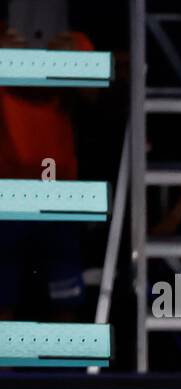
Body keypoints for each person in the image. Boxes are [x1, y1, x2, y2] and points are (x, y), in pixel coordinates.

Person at [0, 14, 97, 323]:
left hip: (58, 187)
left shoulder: (73, 40)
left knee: (65, 301)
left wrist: (73, 62)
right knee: (3, 299)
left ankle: (66, 371)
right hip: (6, 190)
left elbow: (96, 95)